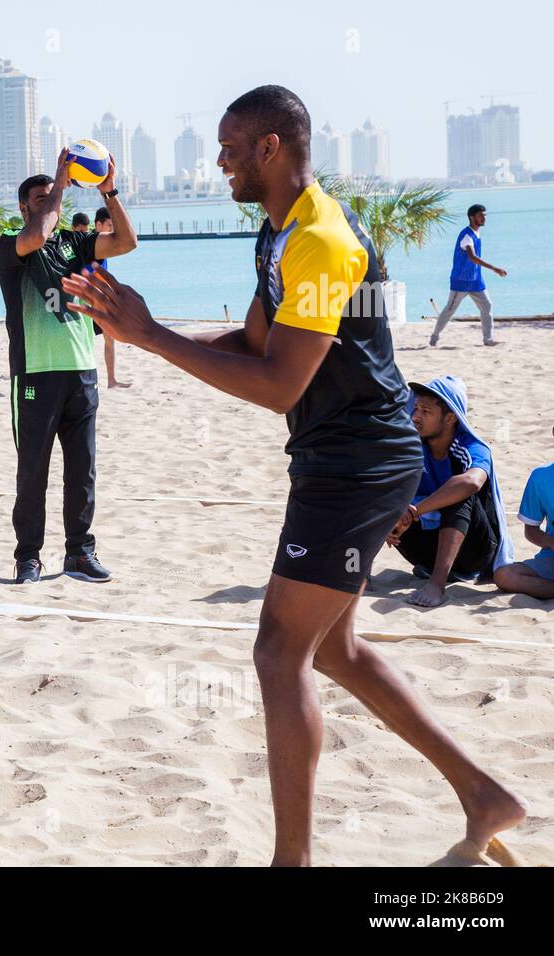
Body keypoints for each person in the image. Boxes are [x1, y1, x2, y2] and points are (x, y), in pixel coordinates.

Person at [63, 85, 525, 866]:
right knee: (335, 650)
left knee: (280, 653)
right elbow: (254, 341)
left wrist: (150, 336)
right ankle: (484, 796)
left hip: (359, 461)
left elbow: (280, 383)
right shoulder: (277, 232)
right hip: (333, 454)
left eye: (230, 148)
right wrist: (141, 333)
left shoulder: (322, 240)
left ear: (272, 148)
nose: (218, 162)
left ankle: (293, 862)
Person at [0, 150, 138, 585]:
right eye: (39, 199)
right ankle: (28, 558)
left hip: (81, 371)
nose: (50, 203)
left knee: (83, 470)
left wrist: (108, 190)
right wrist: (59, 180)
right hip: (35, 375)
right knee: (33, 472)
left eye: (52, 196)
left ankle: (79, 552)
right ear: (24, 208)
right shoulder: (11, 246)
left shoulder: (76, 244)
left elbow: (127, 242)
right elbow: (38, 233)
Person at [386, 376, 513, 607]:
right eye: (416, 409)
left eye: (426, 412)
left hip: (473, 552)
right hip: (423, 554)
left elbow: (472, 482)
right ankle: (358, 573)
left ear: (451, 417)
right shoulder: (413, 446)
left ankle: (437, 584)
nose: (415, 416)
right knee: (380, 493)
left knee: (459, 490)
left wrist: (415, 511)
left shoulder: (471, 447)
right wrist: (392, 516)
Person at [429, 204, 506, 348]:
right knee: (449, 311)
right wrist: (494, 268)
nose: (484, 218)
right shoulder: (466, 236)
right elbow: (472, 257)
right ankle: (434, 337)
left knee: (487, 306)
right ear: (472, 217)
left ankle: (488, 340)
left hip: (476, 280)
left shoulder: (477, 233)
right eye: (480, 215)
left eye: (484, 215)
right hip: (461, 281)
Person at [494, 426, 554, 600]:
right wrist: (551, 542)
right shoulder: (541, 477)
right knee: (503, 575)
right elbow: (531, 531)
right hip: (551, 559)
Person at [94, 207, 129, 390]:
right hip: (88, 298)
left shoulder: (104, 244)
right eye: (109, 225)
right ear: (98, 225)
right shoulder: (89, 244)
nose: (111, 229)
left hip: (102, 297)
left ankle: (111, 380)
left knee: (110, 338)